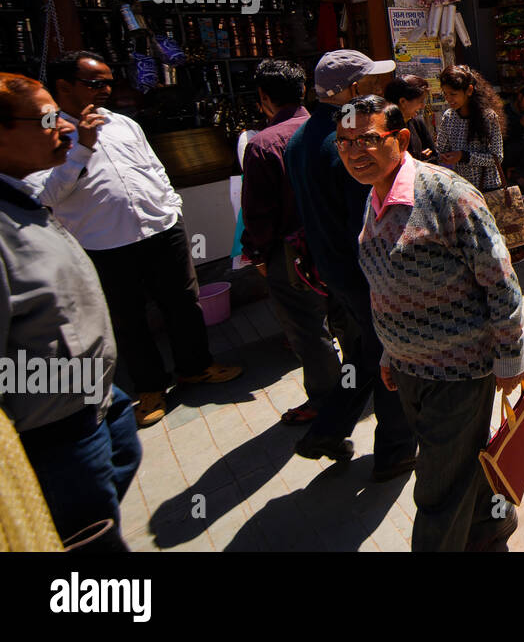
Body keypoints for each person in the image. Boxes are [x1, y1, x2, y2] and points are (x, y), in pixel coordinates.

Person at [336, 96, 524, 551]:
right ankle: (491, 526)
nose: (355, 152)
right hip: (407, 369)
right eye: (344, 143)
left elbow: (500, 278)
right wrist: (389, 349)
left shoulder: (446, 194)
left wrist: (510, 355)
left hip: (459, 372)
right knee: (459, 463)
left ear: (401, 139)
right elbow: (386, 281)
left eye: (367, 139)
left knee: (437, 488)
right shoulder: (373, 194)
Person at [32, 52, 241, 429]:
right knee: (128, 319)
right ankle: (150, 387)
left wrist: (171, 205)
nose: (107, 90)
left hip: (161, 228)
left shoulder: (123, 123)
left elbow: (152, 166)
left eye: (110, 81)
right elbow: (46, 194)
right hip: (104, 242)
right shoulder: (47, 130)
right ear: (64, 86)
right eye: (96, 83)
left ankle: (196, 367)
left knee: (182, 303)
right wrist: (82, 146)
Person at [0, 73, 140, 551]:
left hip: (90, 399)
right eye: (43, 120)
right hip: (51, 430)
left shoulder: (19, 200)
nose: (60, 126)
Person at [284, 49, 417, 480]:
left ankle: (326, 431)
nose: (379, 89)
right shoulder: (351, 143)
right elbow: (373, 221)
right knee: (394, 354)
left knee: (365, 350)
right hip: (366, 272)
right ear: (355, 90)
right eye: (372, 83)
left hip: (333, 269)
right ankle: (396, 451)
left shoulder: (299, 139)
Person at [241, 59, 341, 424]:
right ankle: (352, 387)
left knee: (307, 327)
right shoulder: (333, 127)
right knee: (342, 319)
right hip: (337, 239)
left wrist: (257, 253)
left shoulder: (263, 144)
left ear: (264, 97)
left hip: (292, 251)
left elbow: (258, 213)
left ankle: (328, 402)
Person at [437, 65, 506, 192]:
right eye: (445, 94)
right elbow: (441, 149)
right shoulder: (448, 116)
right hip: (461, 189)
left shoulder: (488, 117)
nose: (448, 99)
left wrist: (464, 156)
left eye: (453, 94)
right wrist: (442, 156)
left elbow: (497, 157)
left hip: (488, 188)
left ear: (469, 90)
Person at [383, 75, 436, 161]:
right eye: (420, 101)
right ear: (403, 102)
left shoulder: (417, 123)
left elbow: (433, 155)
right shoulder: (384, 128)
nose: (423, 106)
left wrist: (423, 160)